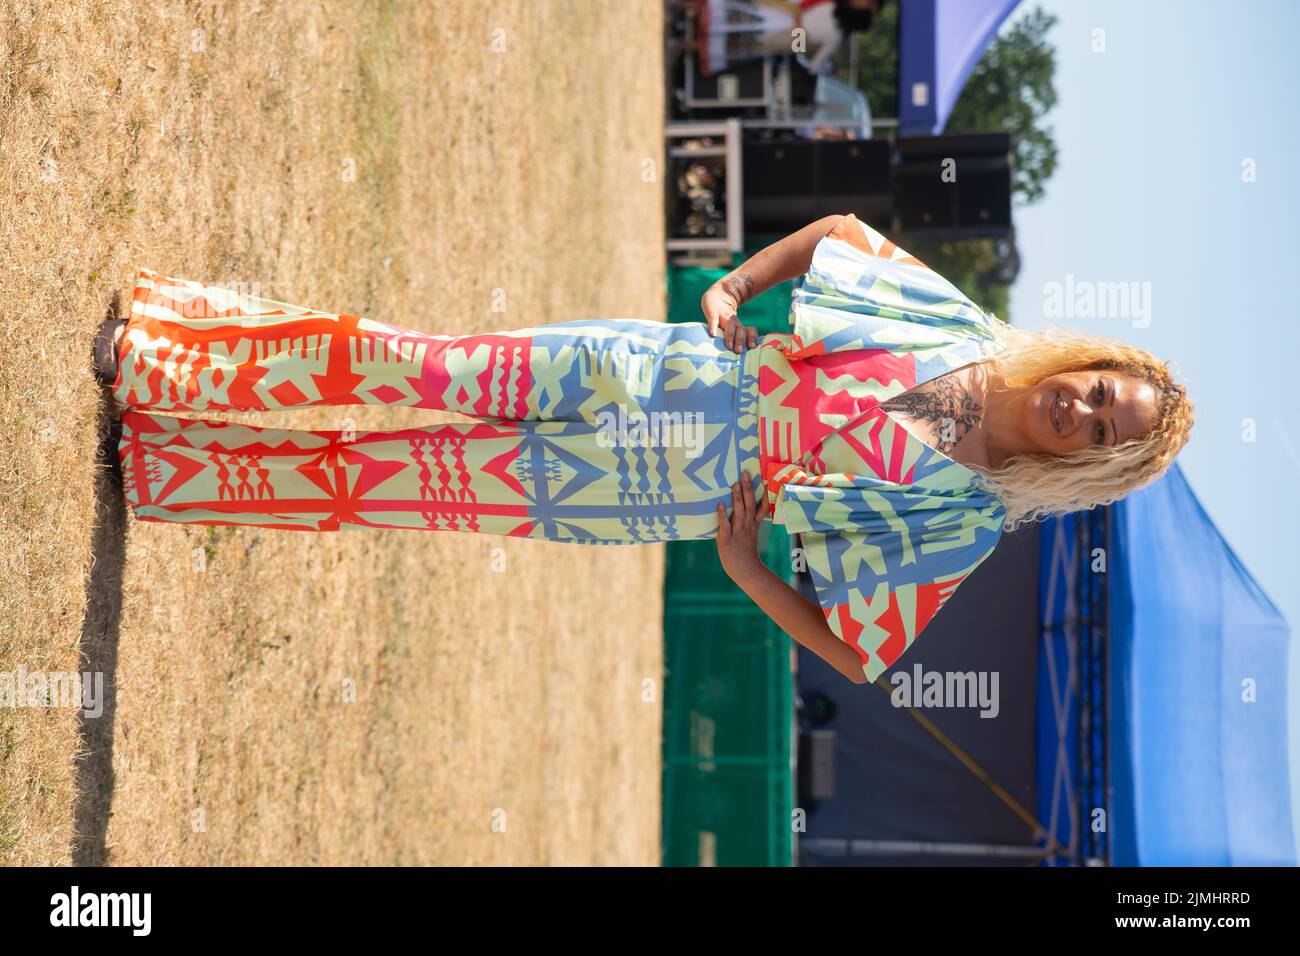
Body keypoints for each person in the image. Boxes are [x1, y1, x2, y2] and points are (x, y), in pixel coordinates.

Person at [92, 214, 1192, 685]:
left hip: (641, 491)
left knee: (392, 484)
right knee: (418, 365)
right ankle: (162, 361)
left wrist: (751, 568)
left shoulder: (971, 521)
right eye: (1100, 391)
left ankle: (170, 463)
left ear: (1096, 466)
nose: (1084, 414)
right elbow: (845, 240)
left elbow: (865, 656)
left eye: (1105, 432)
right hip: (658, 371)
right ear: (1085, 362)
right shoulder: (964, 329)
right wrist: (733, 283)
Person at [691, 0, 885, 77]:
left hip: (783, 26)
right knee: (736, 27)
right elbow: (811, 61)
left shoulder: (836, 33)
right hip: (783, 18)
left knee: (737, 31)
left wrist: (796, 30)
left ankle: (689, 23)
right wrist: (796, 32)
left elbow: (805, 53)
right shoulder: (835, 17)